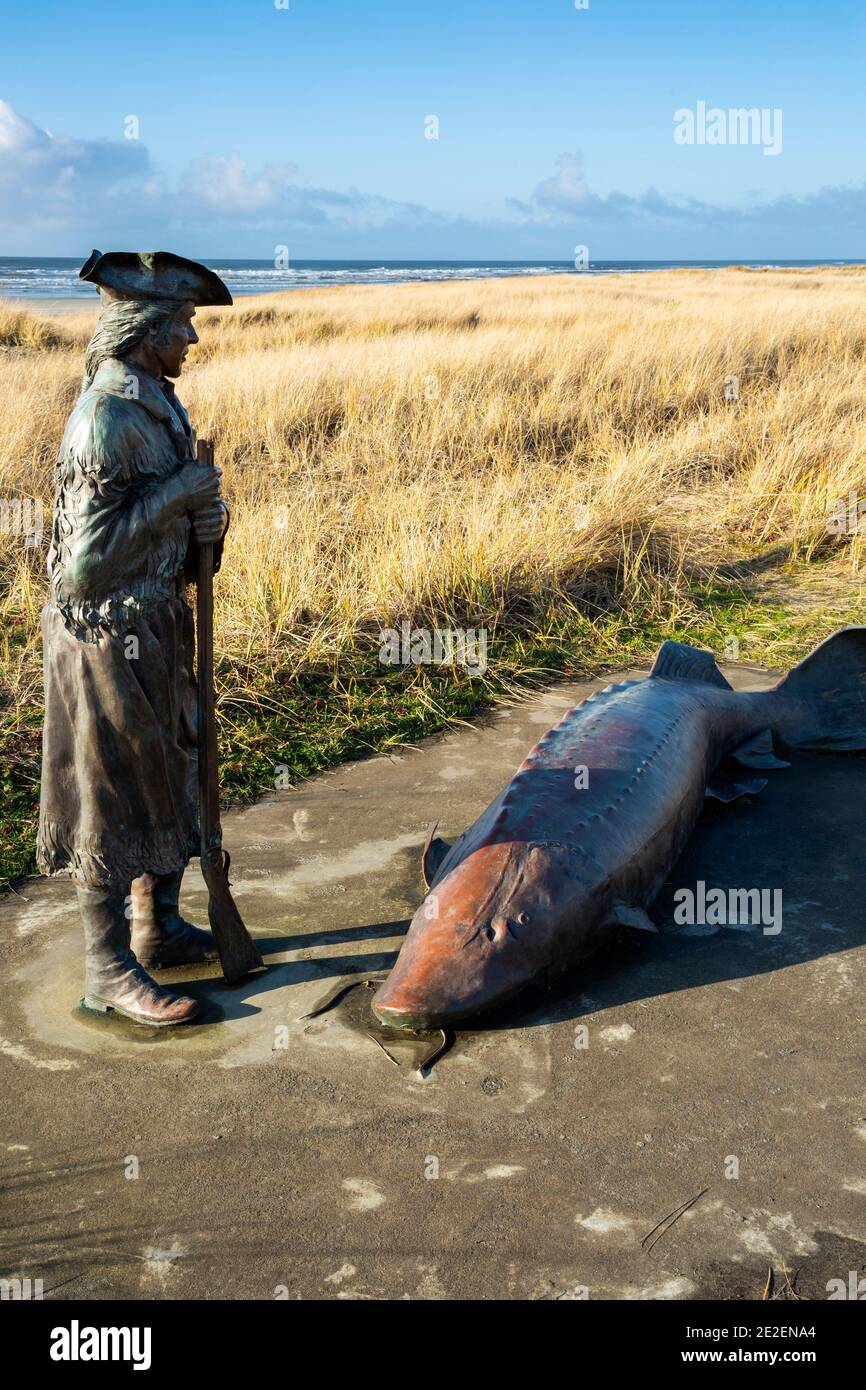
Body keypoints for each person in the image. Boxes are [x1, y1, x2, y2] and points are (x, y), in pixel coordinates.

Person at [37, 250, 233, 1027]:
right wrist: (175, 496)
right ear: (143, 329)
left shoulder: (159, 402)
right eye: (181, 324)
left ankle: (157, 926)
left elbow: (170, 538)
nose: (192, 338)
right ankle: (106, 968)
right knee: (109, 790)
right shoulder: (106, 416)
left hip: (153, 620)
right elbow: (83, 566)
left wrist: (207, 528)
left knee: (168, 767)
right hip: (101, 633)